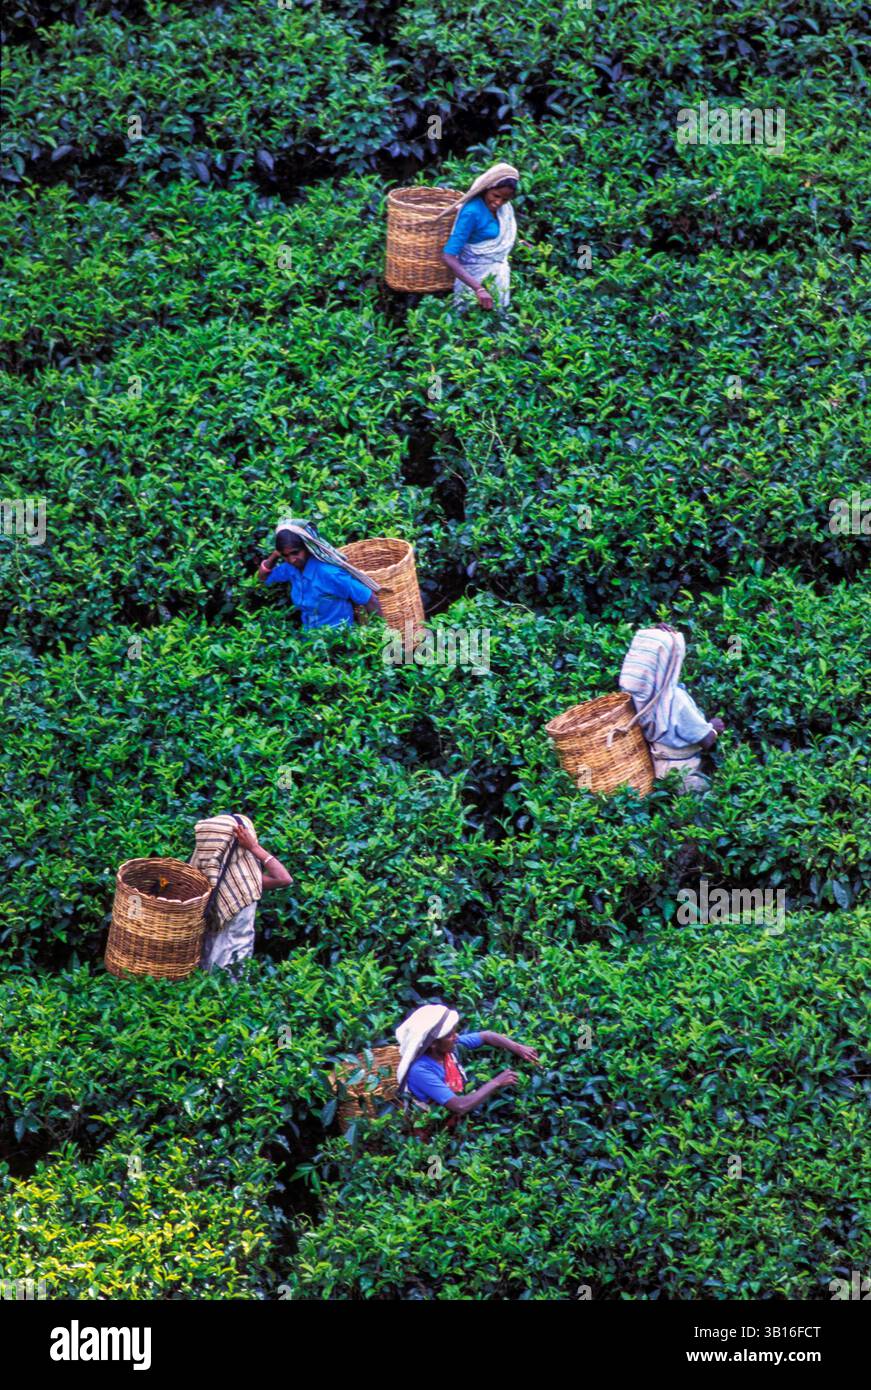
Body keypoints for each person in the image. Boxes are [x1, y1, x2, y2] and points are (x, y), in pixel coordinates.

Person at [395, 1004, 539, 1134]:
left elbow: (486, 1036)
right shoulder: (420, 1071)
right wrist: (496, 1082)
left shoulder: (446, 1049)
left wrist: (518, 1048)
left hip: (457, 1122)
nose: (456, 1037)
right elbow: (460, 1105)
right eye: (450, 1035)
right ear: (432, 1044)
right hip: (435, 1131)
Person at [618, 623, 725, 793]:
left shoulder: (633, 693)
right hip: (683, 775)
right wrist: (715, 727)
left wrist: (653, 634)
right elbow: (705, 740)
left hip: (658, 771)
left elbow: (648, 651)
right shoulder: (675, 699)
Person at [191, 813, 291, 972]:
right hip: (220, 974)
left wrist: (253, 847)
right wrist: (254, 847)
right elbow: (284, 879)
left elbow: (284, 879)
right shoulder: (209, 875)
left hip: (213, 973)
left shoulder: (240, 878)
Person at [258, 517, 382, 630]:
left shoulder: (329, 573)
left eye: (295, 552)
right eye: (285, 555)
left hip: (338, 639)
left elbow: (369, 598)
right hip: (309, 638)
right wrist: (274, 556)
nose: (292, 559)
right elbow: (264, 577)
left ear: (307, 547)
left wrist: (380, 631)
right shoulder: (291, 568)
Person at [440, 161, 520, 312]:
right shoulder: (472, 211)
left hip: (498, 277)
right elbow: (448, 256)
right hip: (473, 280)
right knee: (470, 325)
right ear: (486, 189)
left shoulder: (504, 209)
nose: (498, 202)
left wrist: (520, 243)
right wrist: (478, 289)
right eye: (495, 196)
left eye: (505, 199)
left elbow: (503, 234)